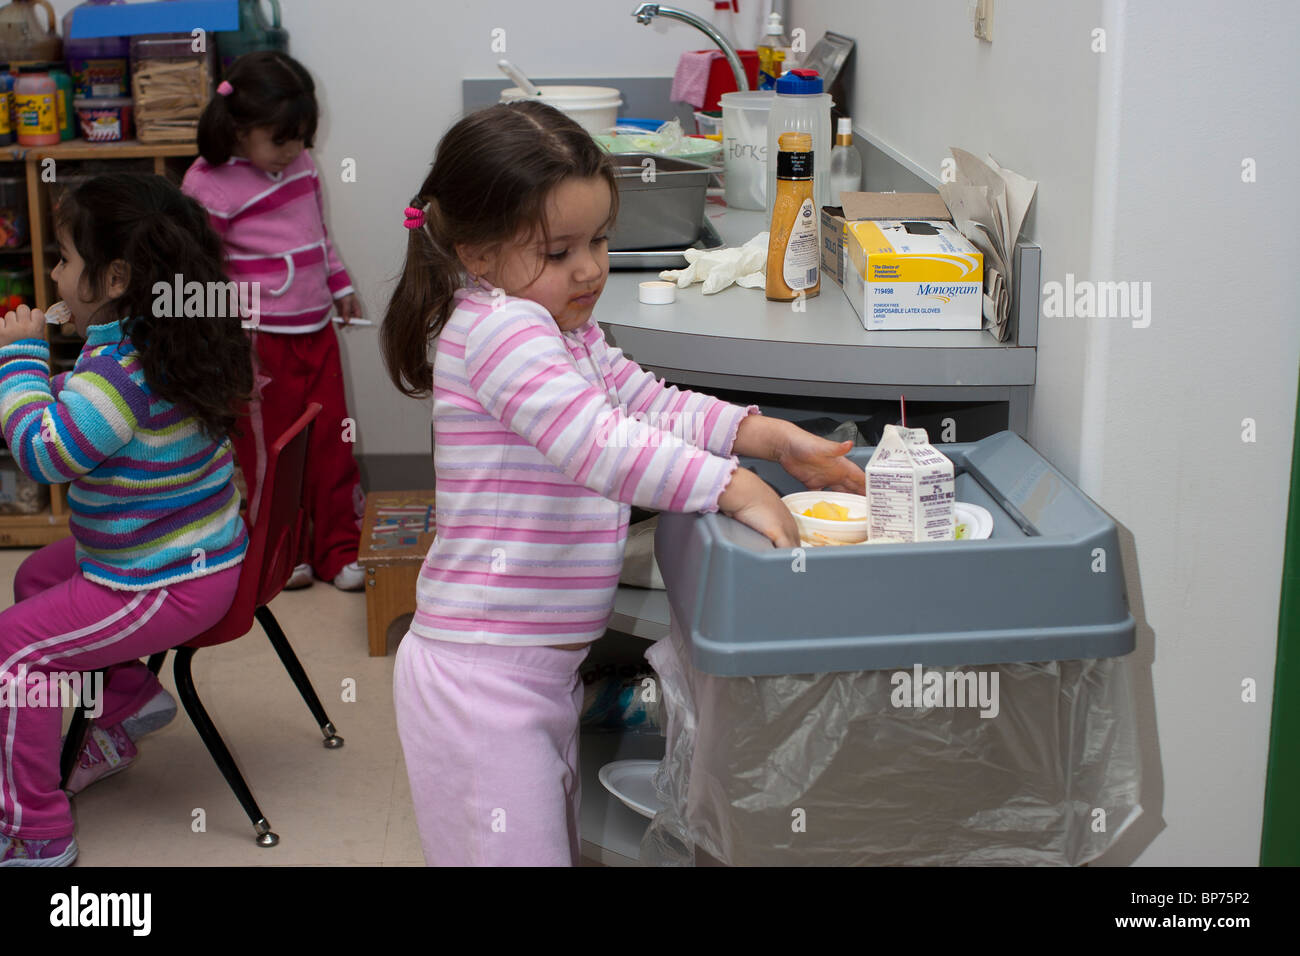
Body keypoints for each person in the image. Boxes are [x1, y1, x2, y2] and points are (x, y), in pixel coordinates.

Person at [380, 100, 865, 866]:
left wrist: (766, 436)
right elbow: (600, 444)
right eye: (558, 250)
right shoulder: (504, 331)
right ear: (475, 252)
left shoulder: (562, 329)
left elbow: (646, 404)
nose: (589, 268)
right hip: (482, 685)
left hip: (533, 672)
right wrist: (735, 485)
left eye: (599, 240)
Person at [0, 174, 253, 866]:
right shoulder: (157, 335)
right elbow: (98, 418)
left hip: (160, 581)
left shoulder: (118, 369)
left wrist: (18, 363)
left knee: (12, 649)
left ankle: (34, 830)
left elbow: (47, 454)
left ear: (113, 276)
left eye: (61, 258)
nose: (52, 273)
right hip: (190, 553)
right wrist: (47, 388)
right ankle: (127, 702)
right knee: (37, 577)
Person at [183, 50, 365, 591]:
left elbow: (317, 235)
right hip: (259, 341)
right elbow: (201, 269)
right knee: (271, 453)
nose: (296, 151)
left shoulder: (300, 165)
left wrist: (340, 284)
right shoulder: (207, 184)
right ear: (239, 130)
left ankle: (339, 547)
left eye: (303, 138)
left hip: (317, 331)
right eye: (282, 139)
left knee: (333, 439)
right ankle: (281, 552)